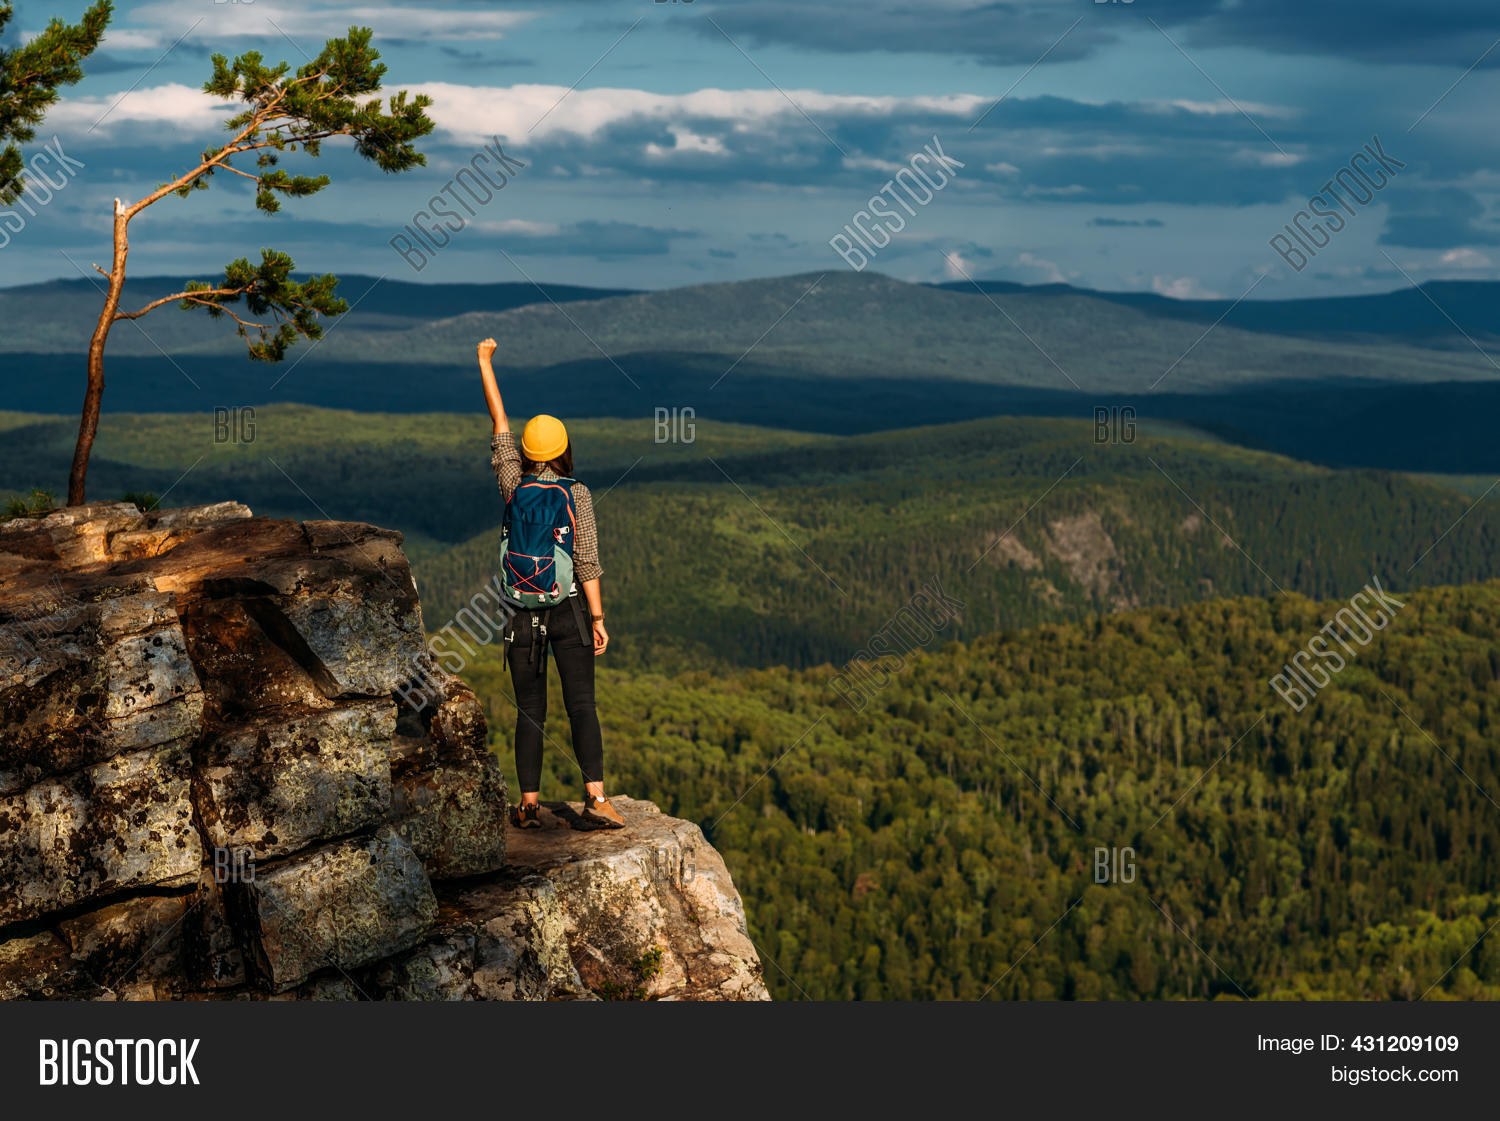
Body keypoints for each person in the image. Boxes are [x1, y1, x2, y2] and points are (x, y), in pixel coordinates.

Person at [476, 336, 624, 830]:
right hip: (569, 612)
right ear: (563, 449)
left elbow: (499, 426)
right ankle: (596, 799)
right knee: (582, 703)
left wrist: (484, 362)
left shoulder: (513, 486)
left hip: (521, 613)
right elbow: (587, 562)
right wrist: (598, 618)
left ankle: (530, 806)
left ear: (523, 451)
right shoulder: (575, 493)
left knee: (530, 711)